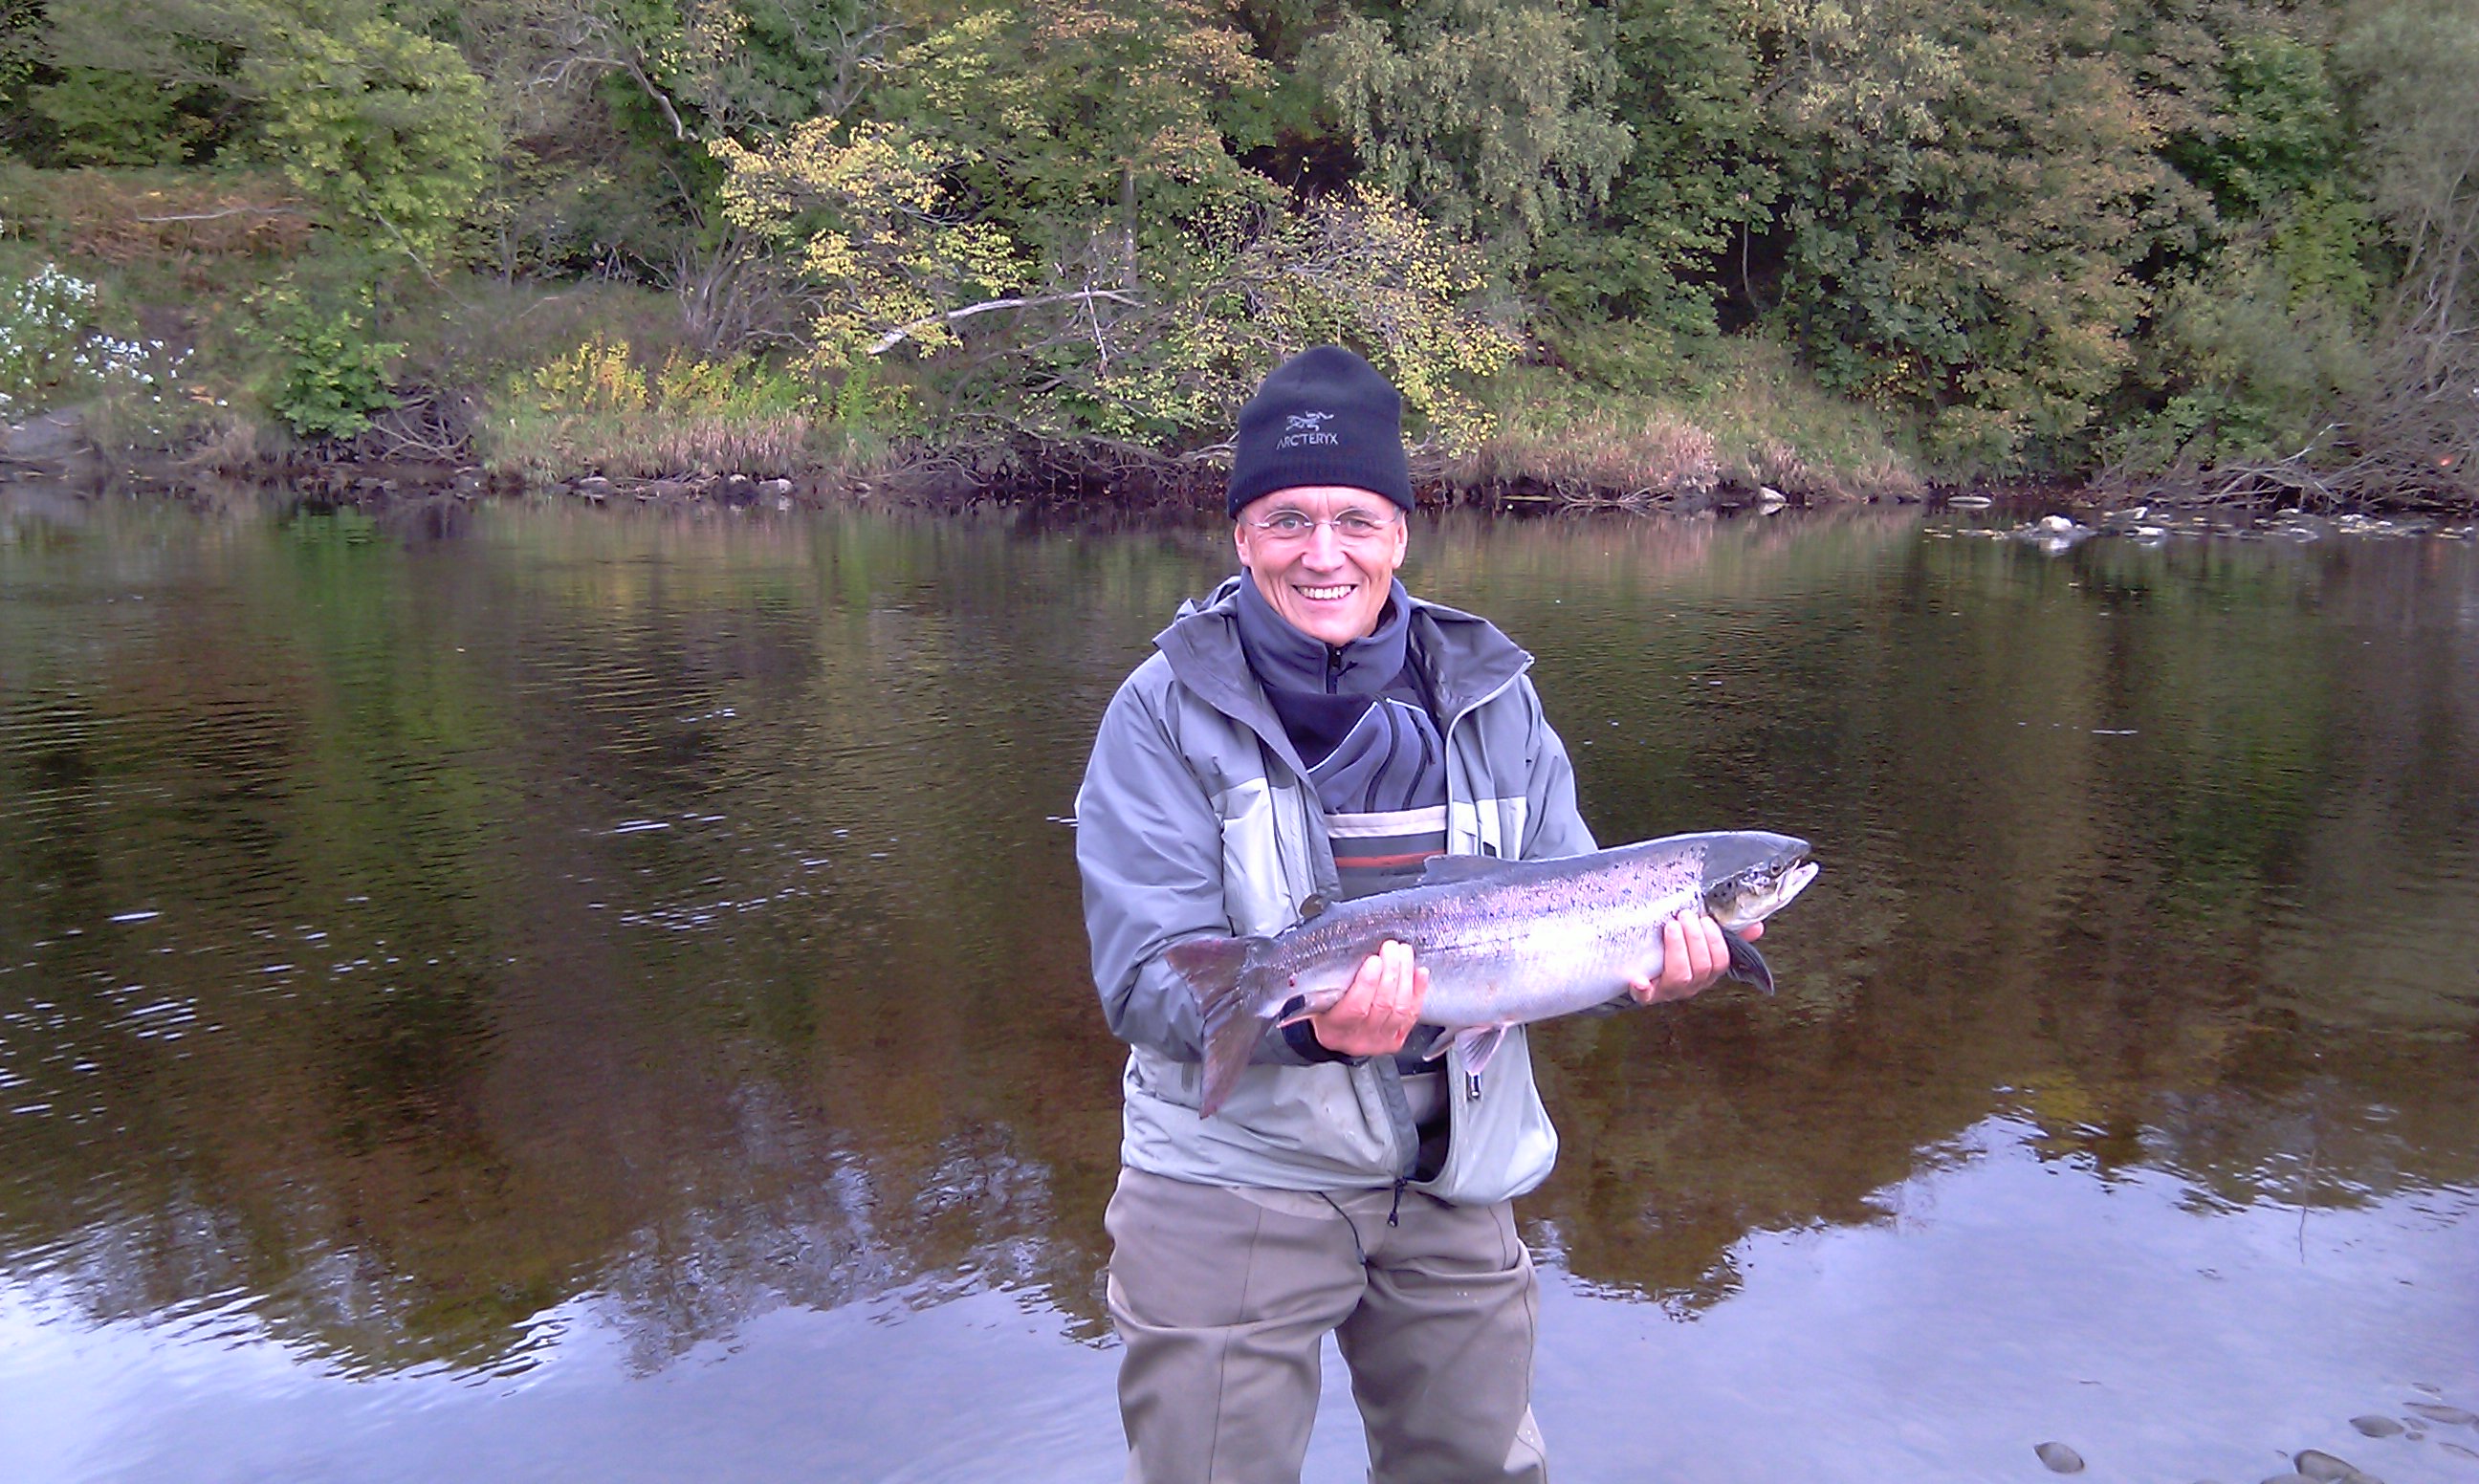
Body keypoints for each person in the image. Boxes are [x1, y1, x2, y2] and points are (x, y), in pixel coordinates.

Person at [1075, 345, 1757, 1484]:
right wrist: (1303, 1023)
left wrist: (1655, 966)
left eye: (1355, 517)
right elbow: (1146, 981)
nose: (1323, 552)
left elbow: (1572, 895)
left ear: (1401, 529)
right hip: (1231, 1174)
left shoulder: (1495, 694)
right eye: (1287, 519)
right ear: (1240, 536)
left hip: (1455, 1179)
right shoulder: (1159, 714)